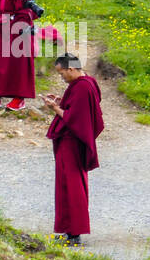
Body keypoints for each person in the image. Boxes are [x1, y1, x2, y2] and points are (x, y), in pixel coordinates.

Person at [41, 53, 104, 245]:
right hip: (70, 141)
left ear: (71, 69)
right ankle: (66, 229)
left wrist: (54, 108)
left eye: (62, 74)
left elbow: (75, 118)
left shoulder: (83, 87)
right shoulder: (88, 82)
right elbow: (80, 108)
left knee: (73, 184)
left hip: (72, 141)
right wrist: (62, 100)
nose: (62, 77)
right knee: (64, 184)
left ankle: (75, 233)